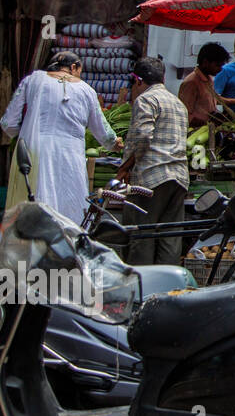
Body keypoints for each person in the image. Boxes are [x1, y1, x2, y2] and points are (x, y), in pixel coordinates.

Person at [2, 51, 118, 219]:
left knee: (37, 197)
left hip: (35, 152)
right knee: (70, 201)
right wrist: (114, 144)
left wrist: (28, 133)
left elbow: (8, 123)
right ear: (73, 67)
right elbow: (103, 132)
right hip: (70, 155)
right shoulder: (87, 90)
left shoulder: (32, 80)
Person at [116, 57, 190, 266]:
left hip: (152, 177)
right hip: (179, 177)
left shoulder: (146, 100)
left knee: (142, 236)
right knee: (170, 238)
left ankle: (142, 282)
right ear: (163, 78)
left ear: (138, 80)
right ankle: (169, 281)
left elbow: (142, 137)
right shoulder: (178, 103)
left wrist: (124, 168)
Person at [177, 41, 231, 128]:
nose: (220, 69)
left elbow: (214, 99)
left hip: (209, 129)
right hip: (195, 131)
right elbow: (184, 115)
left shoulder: (209, 79)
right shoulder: (191, 83)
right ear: (205, 62)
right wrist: (206, 122)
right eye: (217, 65)